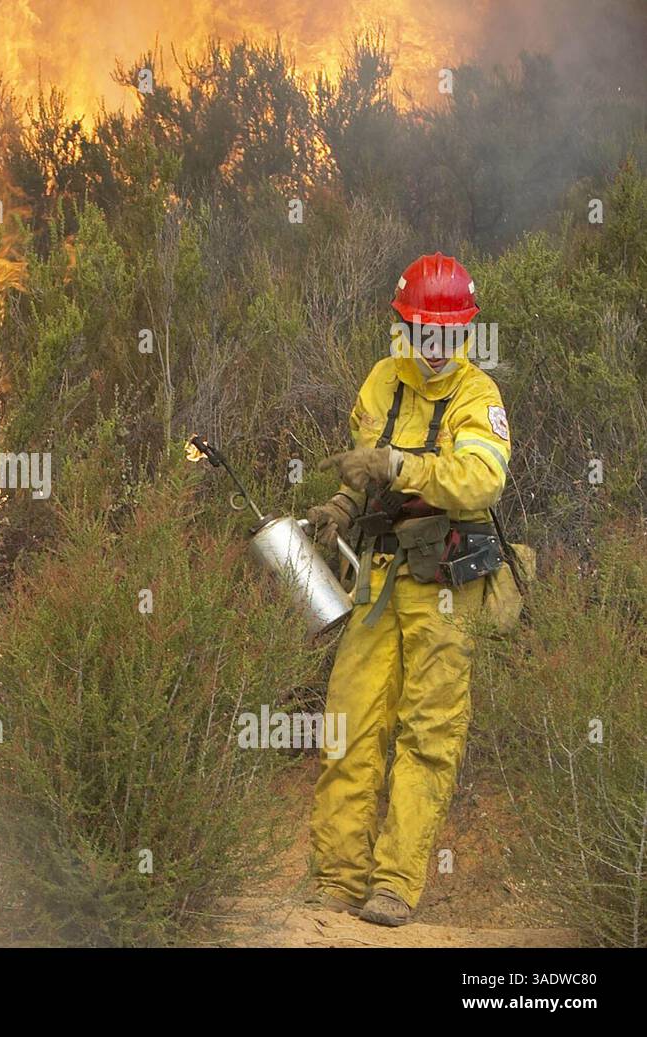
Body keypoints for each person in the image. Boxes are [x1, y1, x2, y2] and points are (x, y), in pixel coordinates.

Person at [305, 252, 512, 926]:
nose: (434, 348)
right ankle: (338, 881)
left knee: (429, 732)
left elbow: (481, 479)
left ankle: (394, 885)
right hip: (379, 575)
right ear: (406, 327)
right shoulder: (380, 383)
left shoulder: (478, 396)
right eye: (423, 333)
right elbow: (364, 467)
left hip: (445, 582)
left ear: (465, 333)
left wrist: (402, 465)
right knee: (351, 723)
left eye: (447, 335)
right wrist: (341, 502)